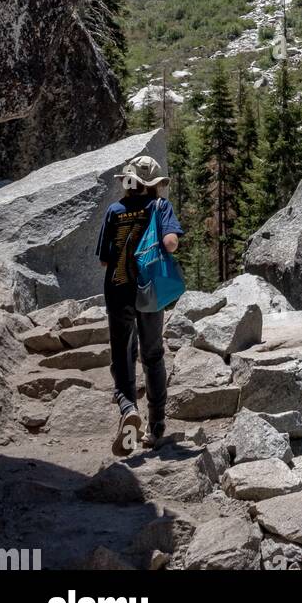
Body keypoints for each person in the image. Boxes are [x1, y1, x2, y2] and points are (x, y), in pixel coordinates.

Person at [95, 155, 183, 456]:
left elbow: (105, 259)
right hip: (150, 292)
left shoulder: (114, 211)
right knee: (153, 355)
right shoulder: (160, 207)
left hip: (118, 291)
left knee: (122, 357)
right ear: (154, 184)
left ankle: (129, 409)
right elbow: (171, 243)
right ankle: (156, 428)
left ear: (128, 182)